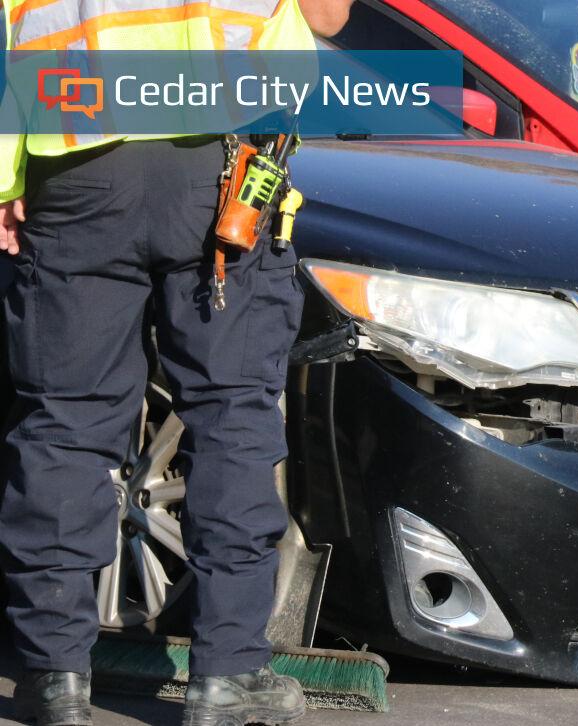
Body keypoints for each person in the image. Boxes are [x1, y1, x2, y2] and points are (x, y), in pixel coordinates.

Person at [0, 1, 354, 724]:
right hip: (218, 165)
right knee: (231, 416)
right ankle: (226, 676)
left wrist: (6, 180)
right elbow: (327, 15)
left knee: (64, 422)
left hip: (76, 160)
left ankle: (55, 676)